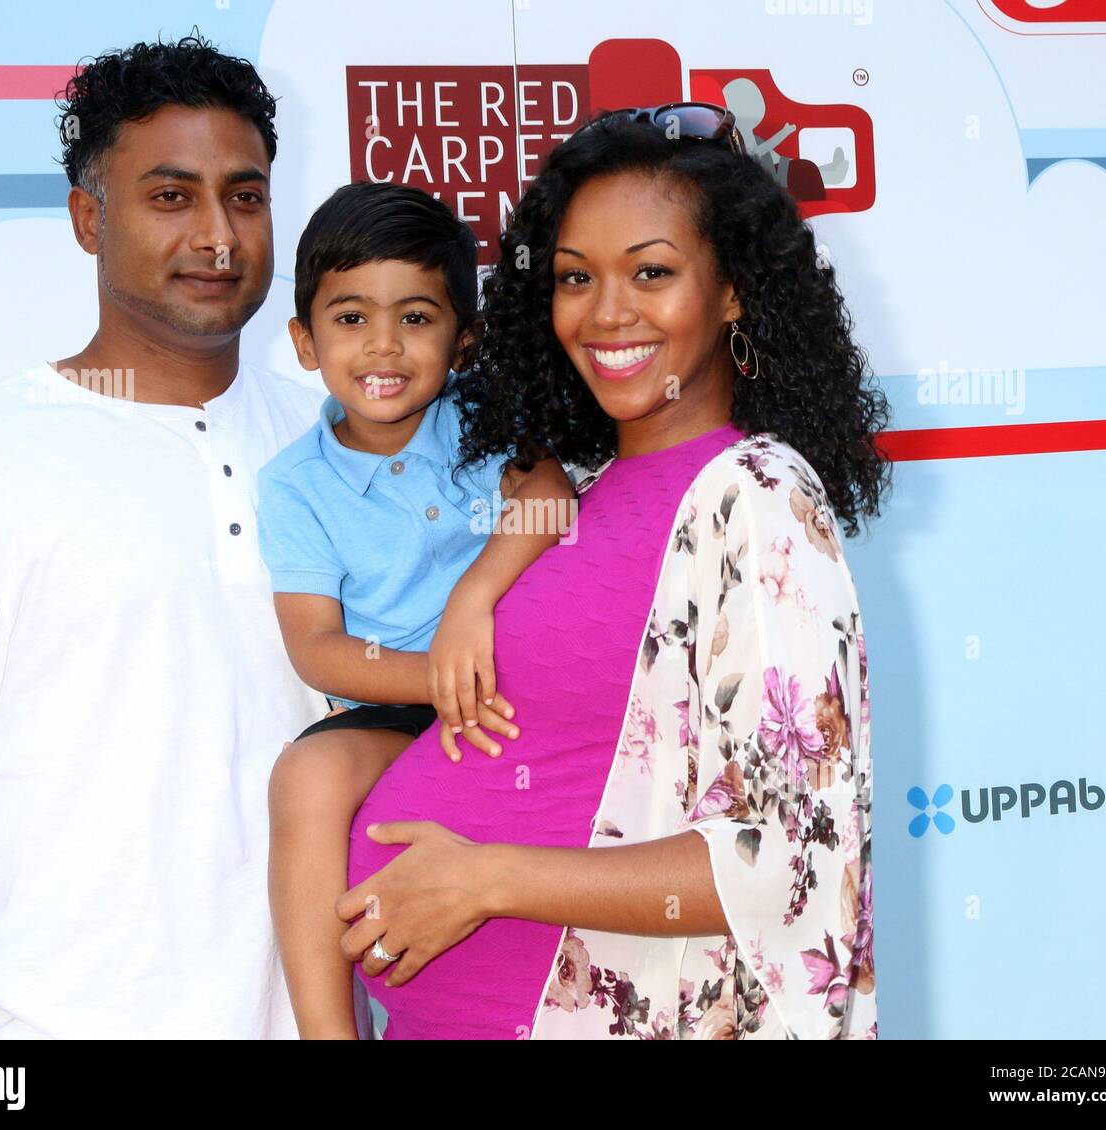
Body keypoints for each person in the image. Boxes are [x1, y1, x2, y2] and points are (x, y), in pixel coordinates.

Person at [335, 104, 887, 1039]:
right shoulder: (572, 491)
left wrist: (486, 879)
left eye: (653, 272)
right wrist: (474, 596)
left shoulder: (754, 497)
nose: (607, 312)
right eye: (574, 279)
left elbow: (791, 854)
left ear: (733, 292)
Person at [0, 35, 327, 1039]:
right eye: (172, 197)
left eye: (244, 196)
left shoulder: (334, 444)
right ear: (90, 218)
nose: (217, 233)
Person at [257, 182, 576, 1039]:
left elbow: (549, 496)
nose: (383, 346)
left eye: (417, 318)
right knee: (308, 778)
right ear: (304, 339)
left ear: (463, 340)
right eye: (351, 318)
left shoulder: (479, 419)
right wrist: (436, 678)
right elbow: (319, 647)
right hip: (392, 701)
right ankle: (330, 1032)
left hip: (514, 677)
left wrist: (473, 604)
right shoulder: (293, 484)